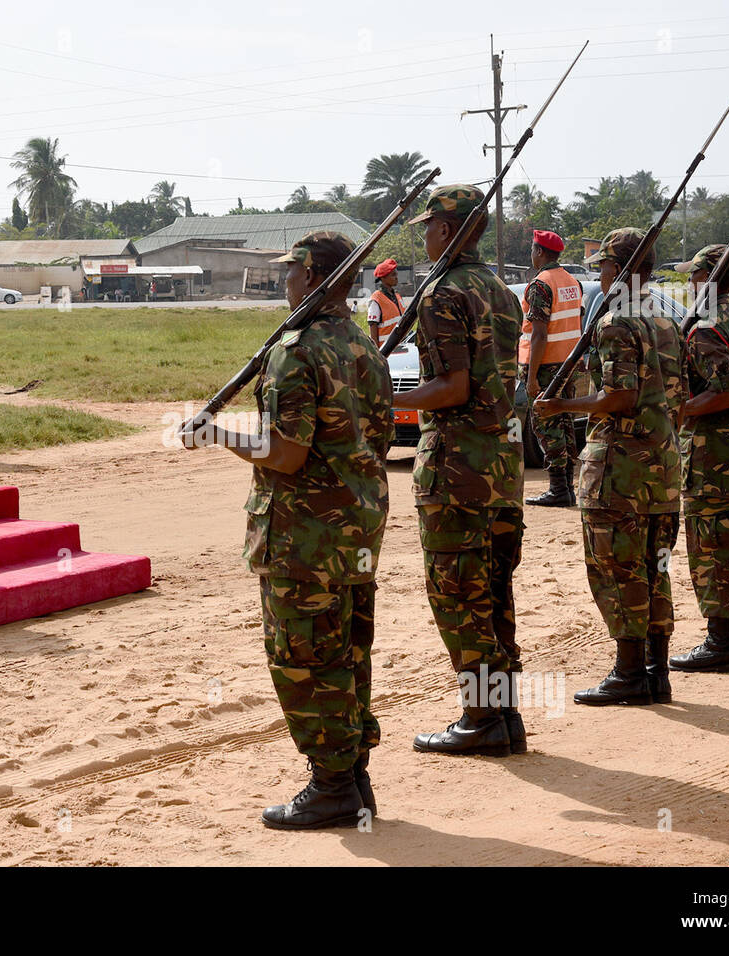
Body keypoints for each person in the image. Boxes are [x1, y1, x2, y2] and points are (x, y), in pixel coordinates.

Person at [184, 231, 392, 830]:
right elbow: (375, 438)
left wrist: (215, 434)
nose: (285, 280)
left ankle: (331, 786)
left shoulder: (296, 352)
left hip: (304, 535)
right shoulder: (363, 345)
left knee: (302, 655)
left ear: (319, 277)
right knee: (349, 652)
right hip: (354, 530)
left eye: (294, 270)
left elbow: (284, 453)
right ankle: (352, 779)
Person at [394, 185, 527, 756]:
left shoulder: (442, 293)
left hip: (456, 469)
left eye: (429, 227)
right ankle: (505, 715)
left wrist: (386, 398)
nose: (425, 235)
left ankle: (480, 718)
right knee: (494, 593)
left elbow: (452, 387)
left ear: (448, 231)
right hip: (501, 466)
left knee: (457, 595)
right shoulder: (501, 290)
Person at [535, 228, 681, 706]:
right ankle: (656, 671)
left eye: (602, 265)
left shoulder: (618, 322)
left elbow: (619, 398)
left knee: (617, 569)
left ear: (618, 269)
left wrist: (562, 407)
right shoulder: (663, 319)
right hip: (661, 462)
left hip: (621, 466)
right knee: (654, 568)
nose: (598, 273)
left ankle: (630, 672)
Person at [668, 245, 729, 674]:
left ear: (707, 278)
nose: (689, 284)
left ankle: (721, 642)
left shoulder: (706, 326)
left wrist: (680, 409)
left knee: (712, 550)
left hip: (714, 459)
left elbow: (723, 392)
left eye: (693, 277)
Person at [520, 229, 584, 507]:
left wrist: (532, 377)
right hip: (567, 364)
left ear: (540, 252)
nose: (531, 254)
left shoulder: (540, 284)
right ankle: (566, 487)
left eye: (533, 250)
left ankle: (559, 489)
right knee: (565, 423)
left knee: (546, 425)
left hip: (545, 366)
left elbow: (539, 334)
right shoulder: (572, 282)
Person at [366, 258, 404, 348]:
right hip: (386, 350)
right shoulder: (376, 299)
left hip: (400, 348)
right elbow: (373, 330)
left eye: (396, 274)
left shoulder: (397, 296)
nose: (396, 277)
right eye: (393, 275)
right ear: (383, 277)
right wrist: (377, 354)